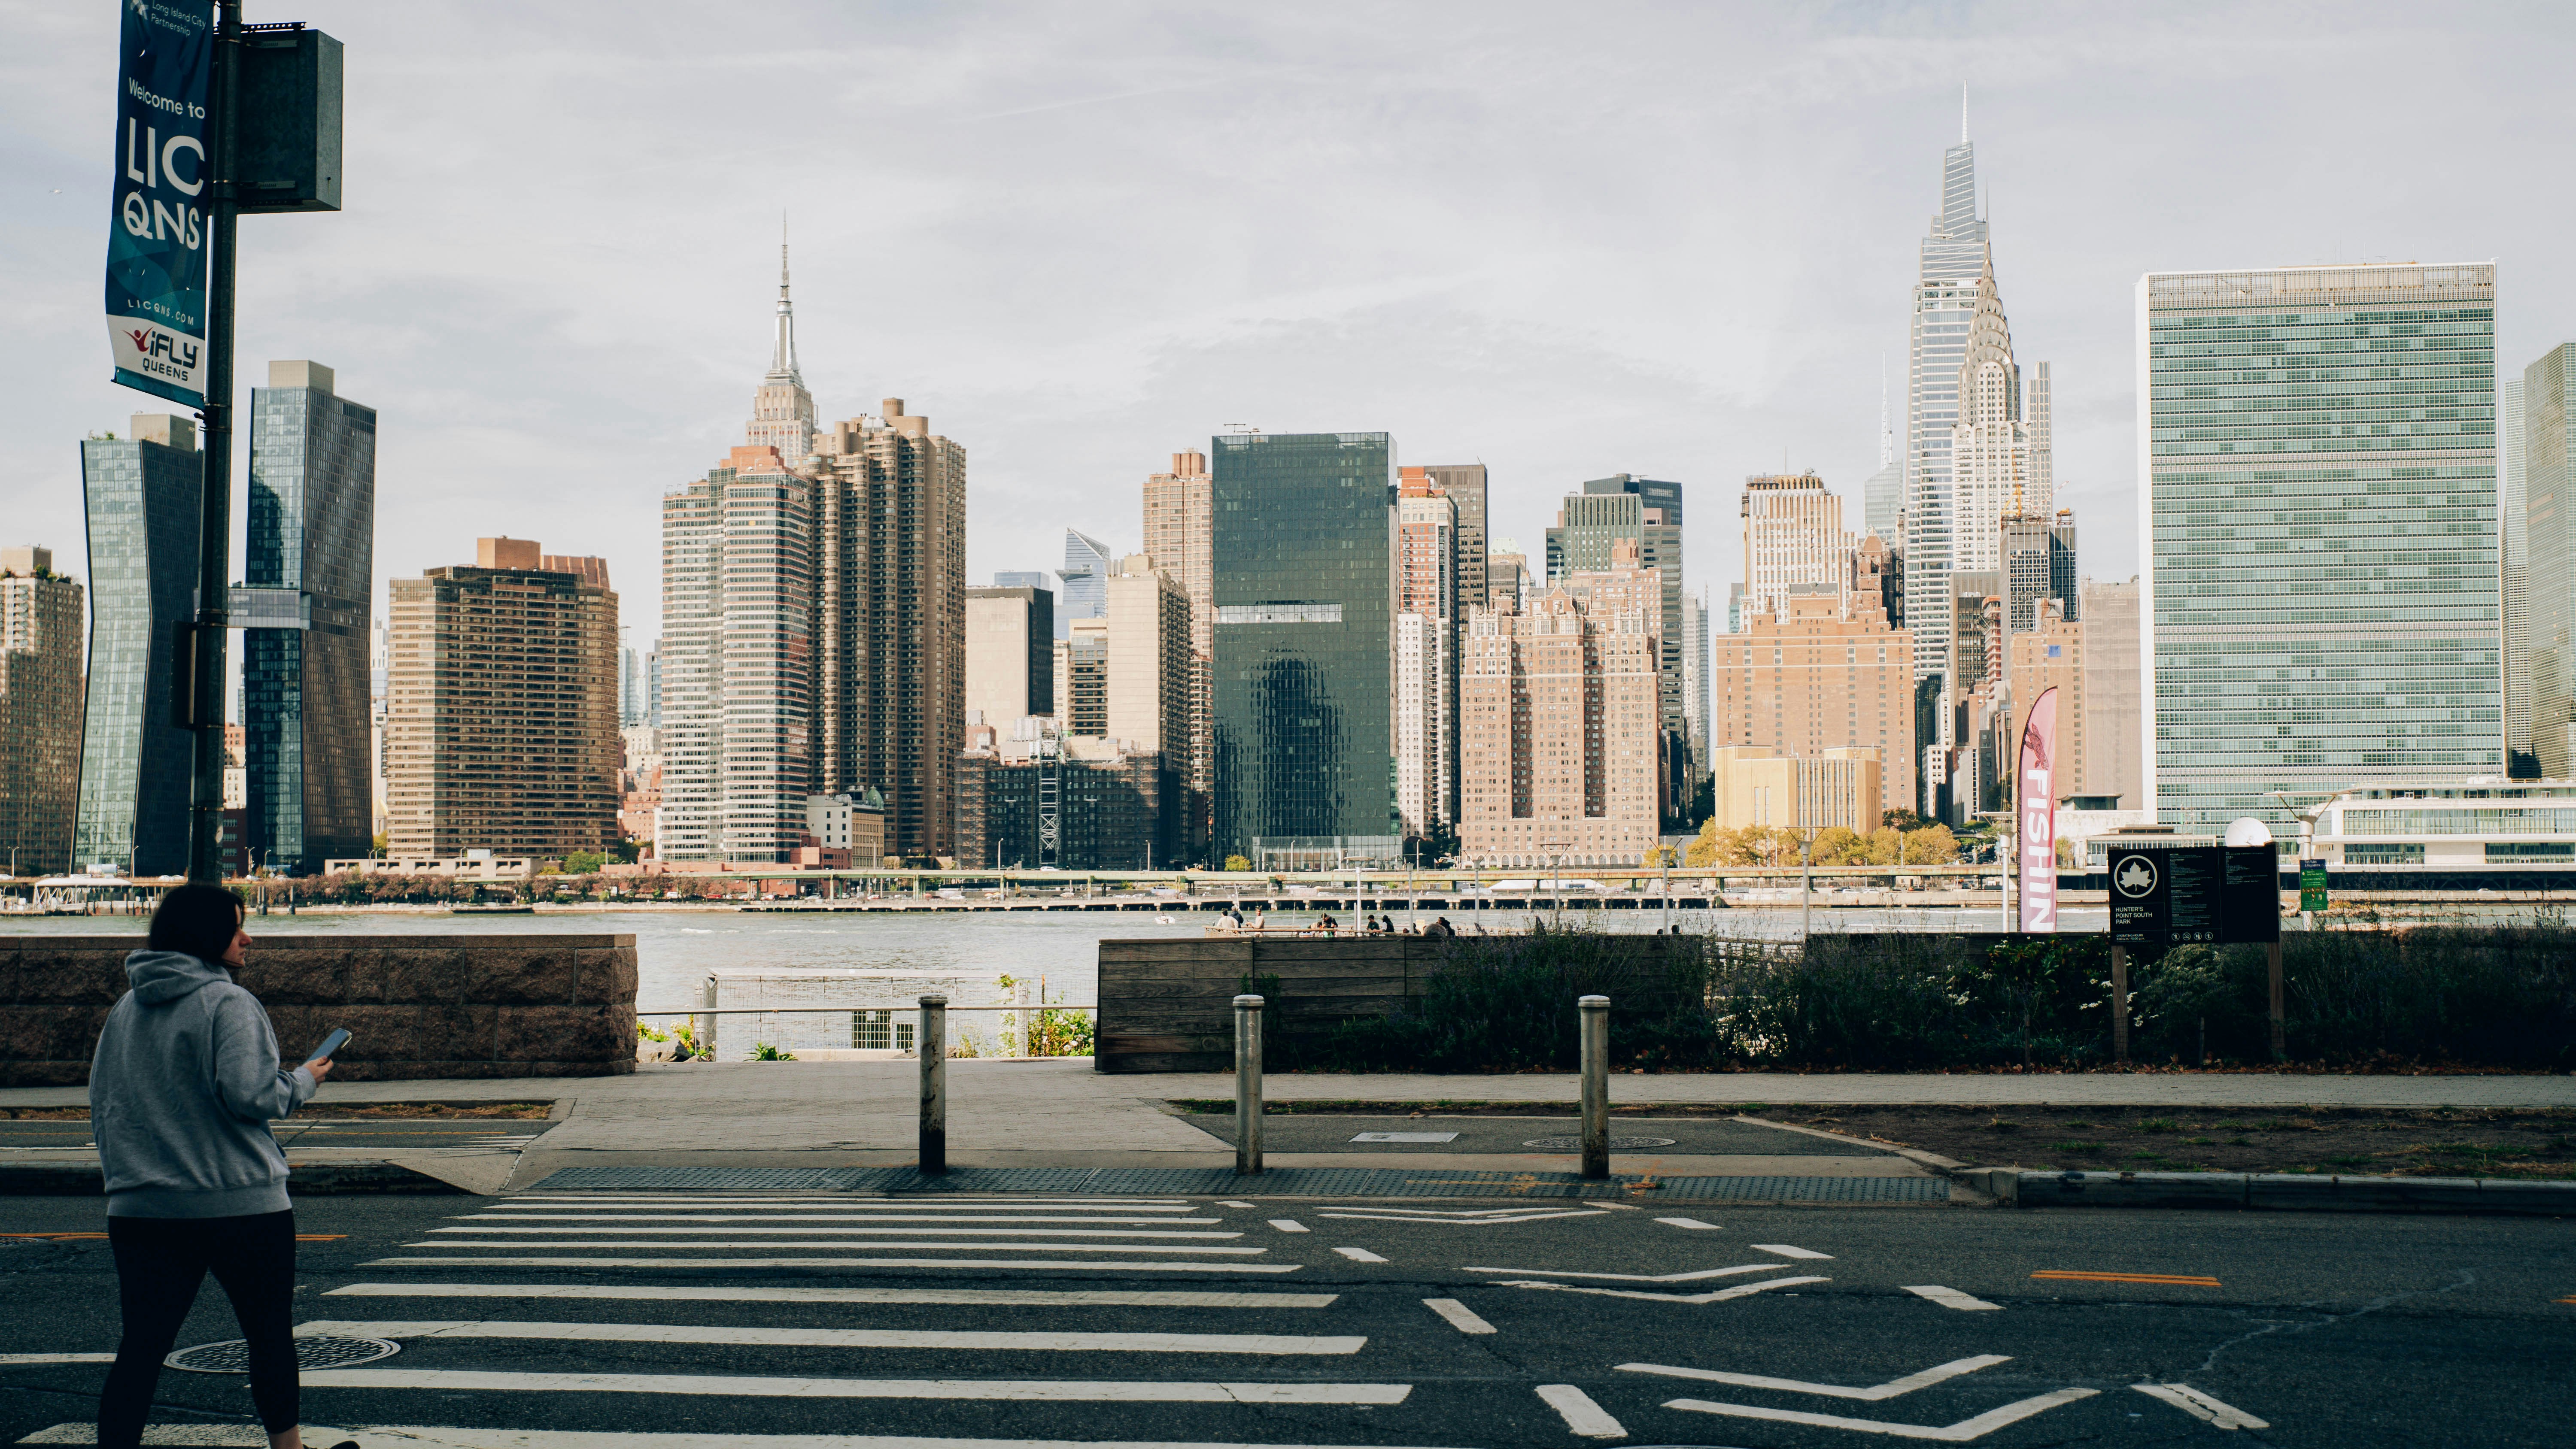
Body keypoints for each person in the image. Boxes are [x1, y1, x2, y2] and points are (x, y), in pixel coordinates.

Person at [89, 884, 353, 1449]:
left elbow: (106, 1104)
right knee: (268, 1337)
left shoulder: (126, 1009)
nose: (247, 938)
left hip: (141, 1209)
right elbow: (253, 1097)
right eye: (237, 928)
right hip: (241, 1205)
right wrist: (306, 1078)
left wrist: (129, 1178)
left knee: (141, 1348)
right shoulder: (229, 1002)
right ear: (208, 936)